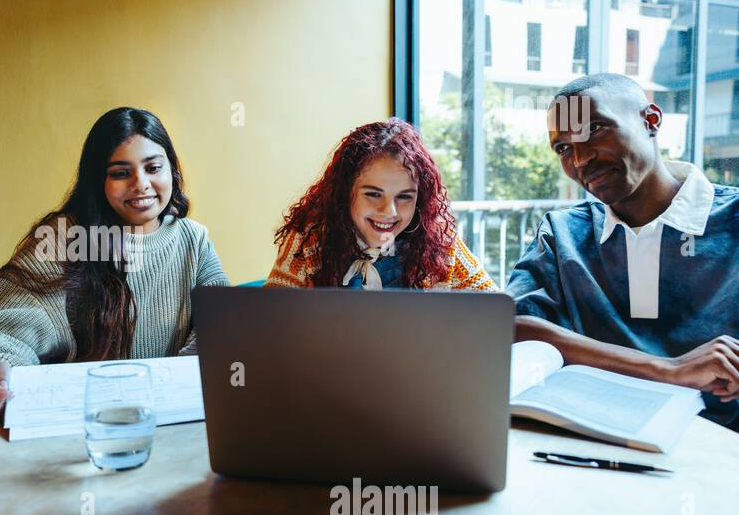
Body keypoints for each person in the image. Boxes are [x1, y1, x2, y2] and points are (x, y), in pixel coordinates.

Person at [0, 107, 229, 422]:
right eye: (120, 173)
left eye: (153, 168)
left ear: (171, 171)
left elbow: (224, 327)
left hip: (167, 425)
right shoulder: (64, 238)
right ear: (98, 181)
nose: (141, 184)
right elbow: (1, 330)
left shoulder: (194, 240)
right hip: (76, 431)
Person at [509, 73, 739, 429]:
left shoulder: (734, 220)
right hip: (589, 439)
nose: (581, 158)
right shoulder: (563, 233)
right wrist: (669, 370)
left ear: (651, 121)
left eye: (596, 129)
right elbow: (511, 326)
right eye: (563, 148)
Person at [267, 117, 496, 291]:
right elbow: (267, 322)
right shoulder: (308, 238)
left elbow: (494, 314)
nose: (389, 211)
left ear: (420, 199)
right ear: (345, 192)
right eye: (374, 194)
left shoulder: (439, 243)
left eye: (405, 196)